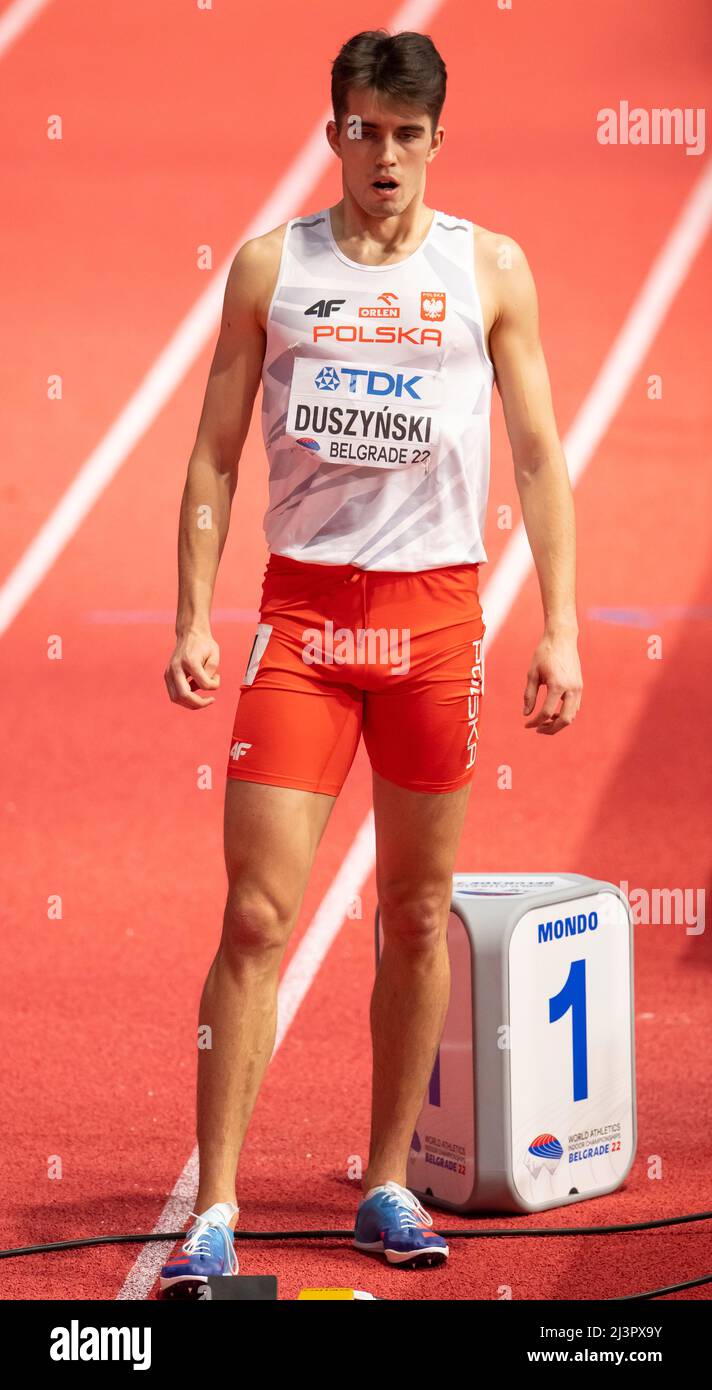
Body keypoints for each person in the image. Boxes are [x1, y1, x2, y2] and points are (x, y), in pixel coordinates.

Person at [161, 27, 583, 1295]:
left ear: (437, 140)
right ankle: (218, 1208)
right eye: (363, 129)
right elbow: (214, 455)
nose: (384, 154)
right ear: (332, 130)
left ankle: (389, 1178)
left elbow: (541, 457)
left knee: (413, 914)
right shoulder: (268, 269)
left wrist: (558, 621)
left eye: (407, 133)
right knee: (254, 914)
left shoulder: (490, 269)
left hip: (437, 619)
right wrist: (192, 608)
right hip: (303, 624)